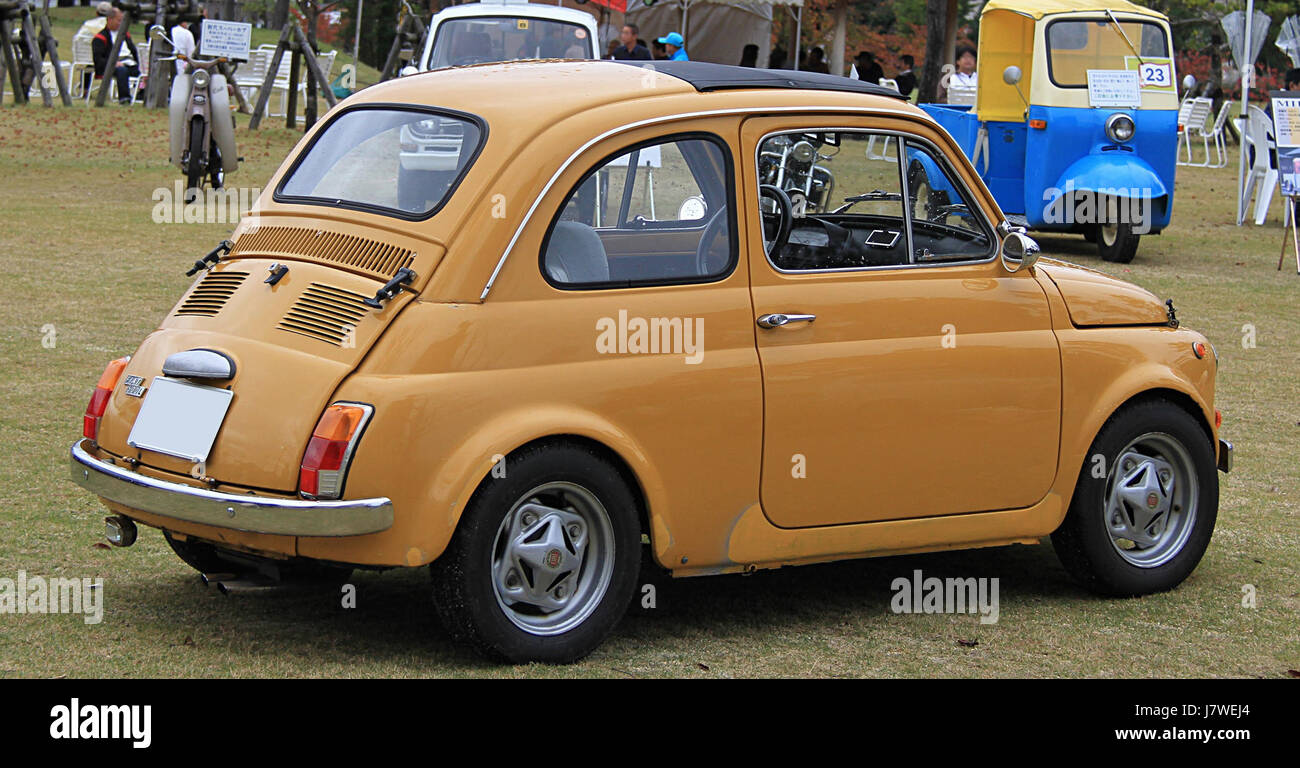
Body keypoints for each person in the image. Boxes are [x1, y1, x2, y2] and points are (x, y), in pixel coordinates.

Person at [92, 7, 140, 105]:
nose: (121, 23)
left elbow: (133, 51)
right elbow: (98, 60)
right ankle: (124, 98)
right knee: (122, 71)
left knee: (146, 72)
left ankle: (143, 94)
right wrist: (113, 63)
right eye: (119, 20)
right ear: (110, 19)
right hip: (112, 66)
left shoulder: (125, 34)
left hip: (129, 62)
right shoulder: (100, 38)